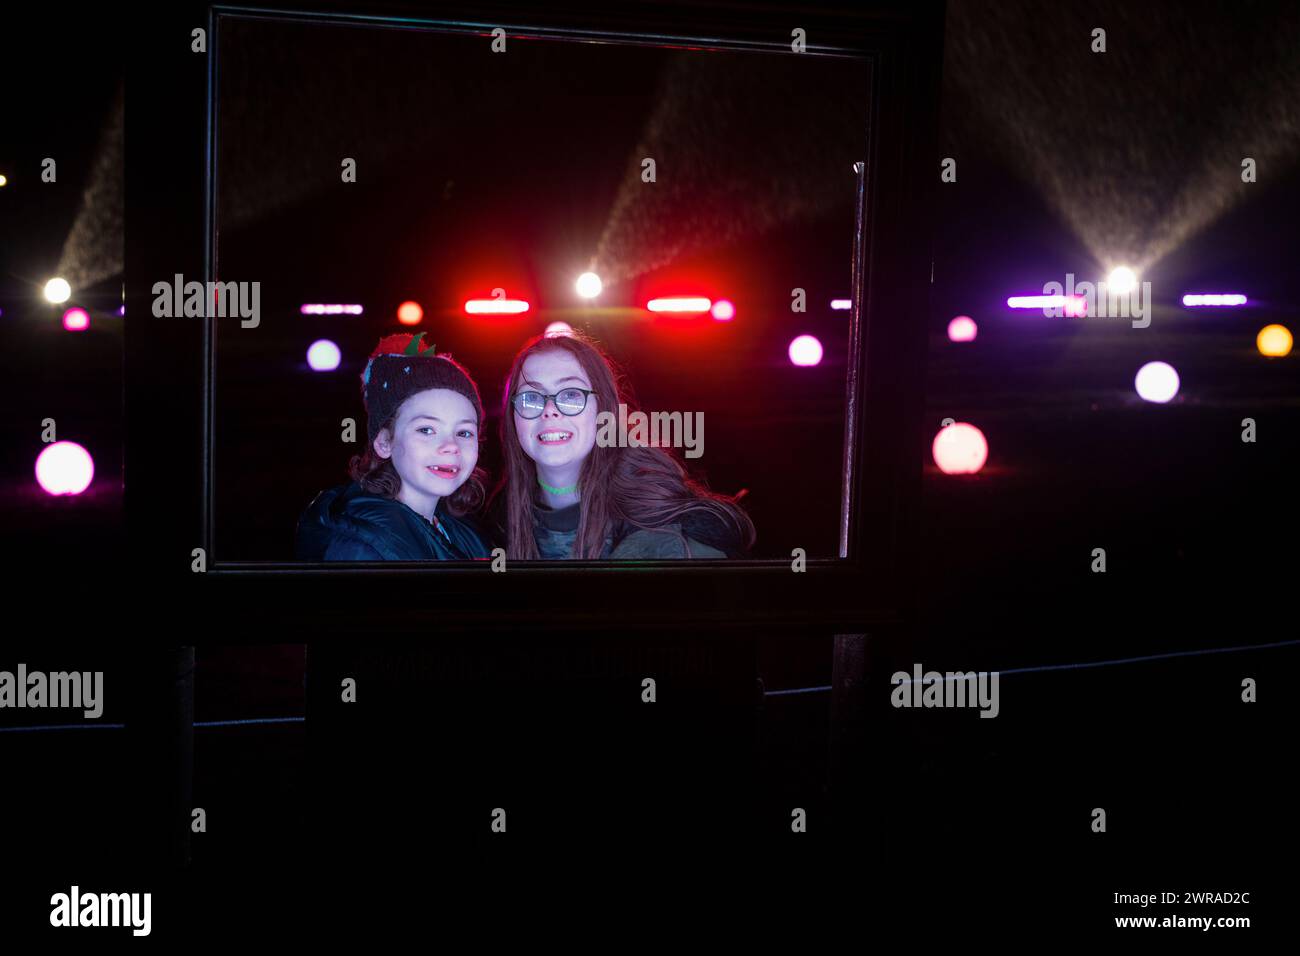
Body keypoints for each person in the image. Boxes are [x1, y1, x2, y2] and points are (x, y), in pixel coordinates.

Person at [488, 330, 754, 559]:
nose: (549, 411)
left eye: (571, 395)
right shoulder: (496, 522)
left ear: (603, 409)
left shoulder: (669, 532)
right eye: (531, 397)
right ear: (513, 417)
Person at [296, 332, 492, 560]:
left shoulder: (468, 535)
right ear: (384, 442)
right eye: (426, 430)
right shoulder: (360, 546)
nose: (451, 446)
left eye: (464, 432)